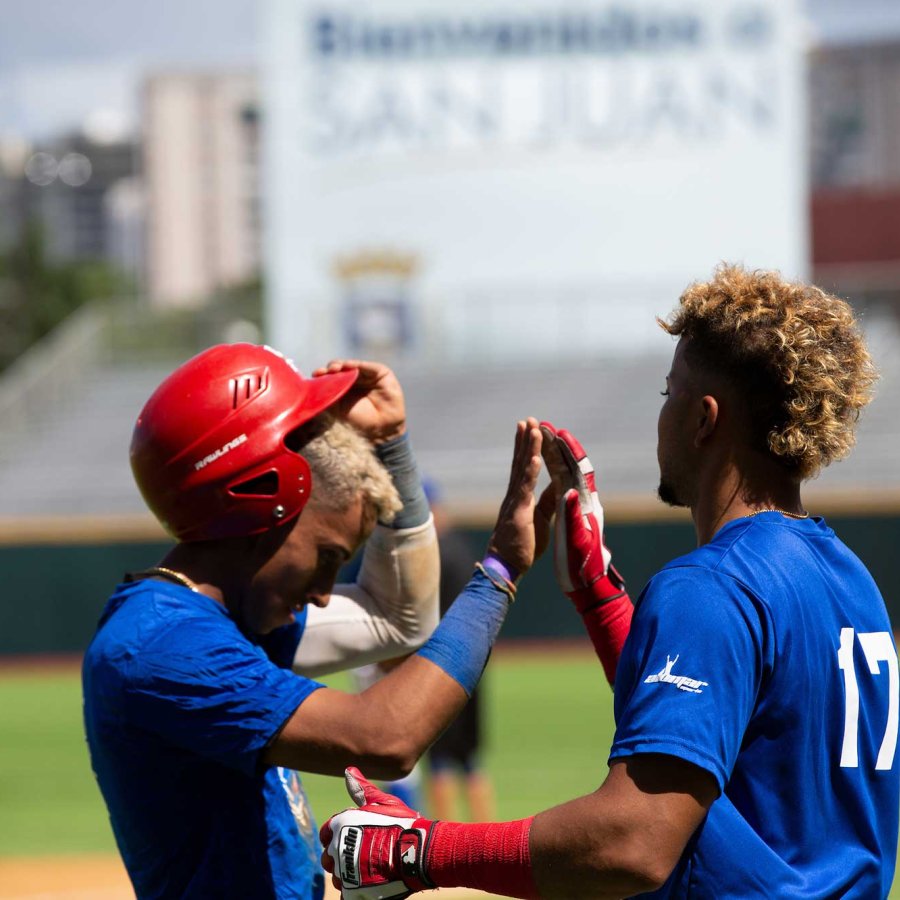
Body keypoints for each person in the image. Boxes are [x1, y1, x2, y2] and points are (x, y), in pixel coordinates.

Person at [322, 264, 899, 899]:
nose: (662, 412)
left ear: (704, 419)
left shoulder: (711, 585)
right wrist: (597, 593)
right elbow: (704, 726)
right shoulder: (852, 580)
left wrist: (418, 850)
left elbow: (634, 841)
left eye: (669, 393)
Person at [82, 342, 556, 900]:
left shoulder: (218, 618)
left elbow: (396, 618)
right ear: (260, 503)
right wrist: (500, 571)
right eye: (327, 556)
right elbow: (386, 738)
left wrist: (390, 444)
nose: (326, 595)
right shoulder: (162, 645)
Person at [425, 479, 496, 823]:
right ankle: (486, 835)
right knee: (470, 761)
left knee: (439, 760)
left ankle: (441, 837)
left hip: (438, 668)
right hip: (473, 662)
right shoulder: (464, 550)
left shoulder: (430, 555)